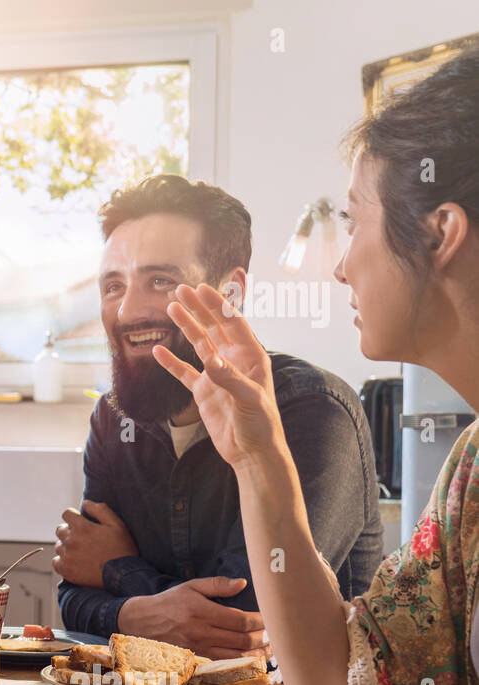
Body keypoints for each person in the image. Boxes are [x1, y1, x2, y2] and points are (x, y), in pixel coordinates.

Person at [154, 49, 479, 685]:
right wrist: (259, 457)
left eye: (356, 219)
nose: (340, 265)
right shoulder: (471, 474)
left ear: (440, 233)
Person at [53, 175, 382, 659]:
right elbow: (72, 593)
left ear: (230, 292)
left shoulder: (314, 410)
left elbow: (247, 623)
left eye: (160, 281)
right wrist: (139, 603)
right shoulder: (112, 420)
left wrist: (117, 570)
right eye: (113, 285)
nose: (126, 311)